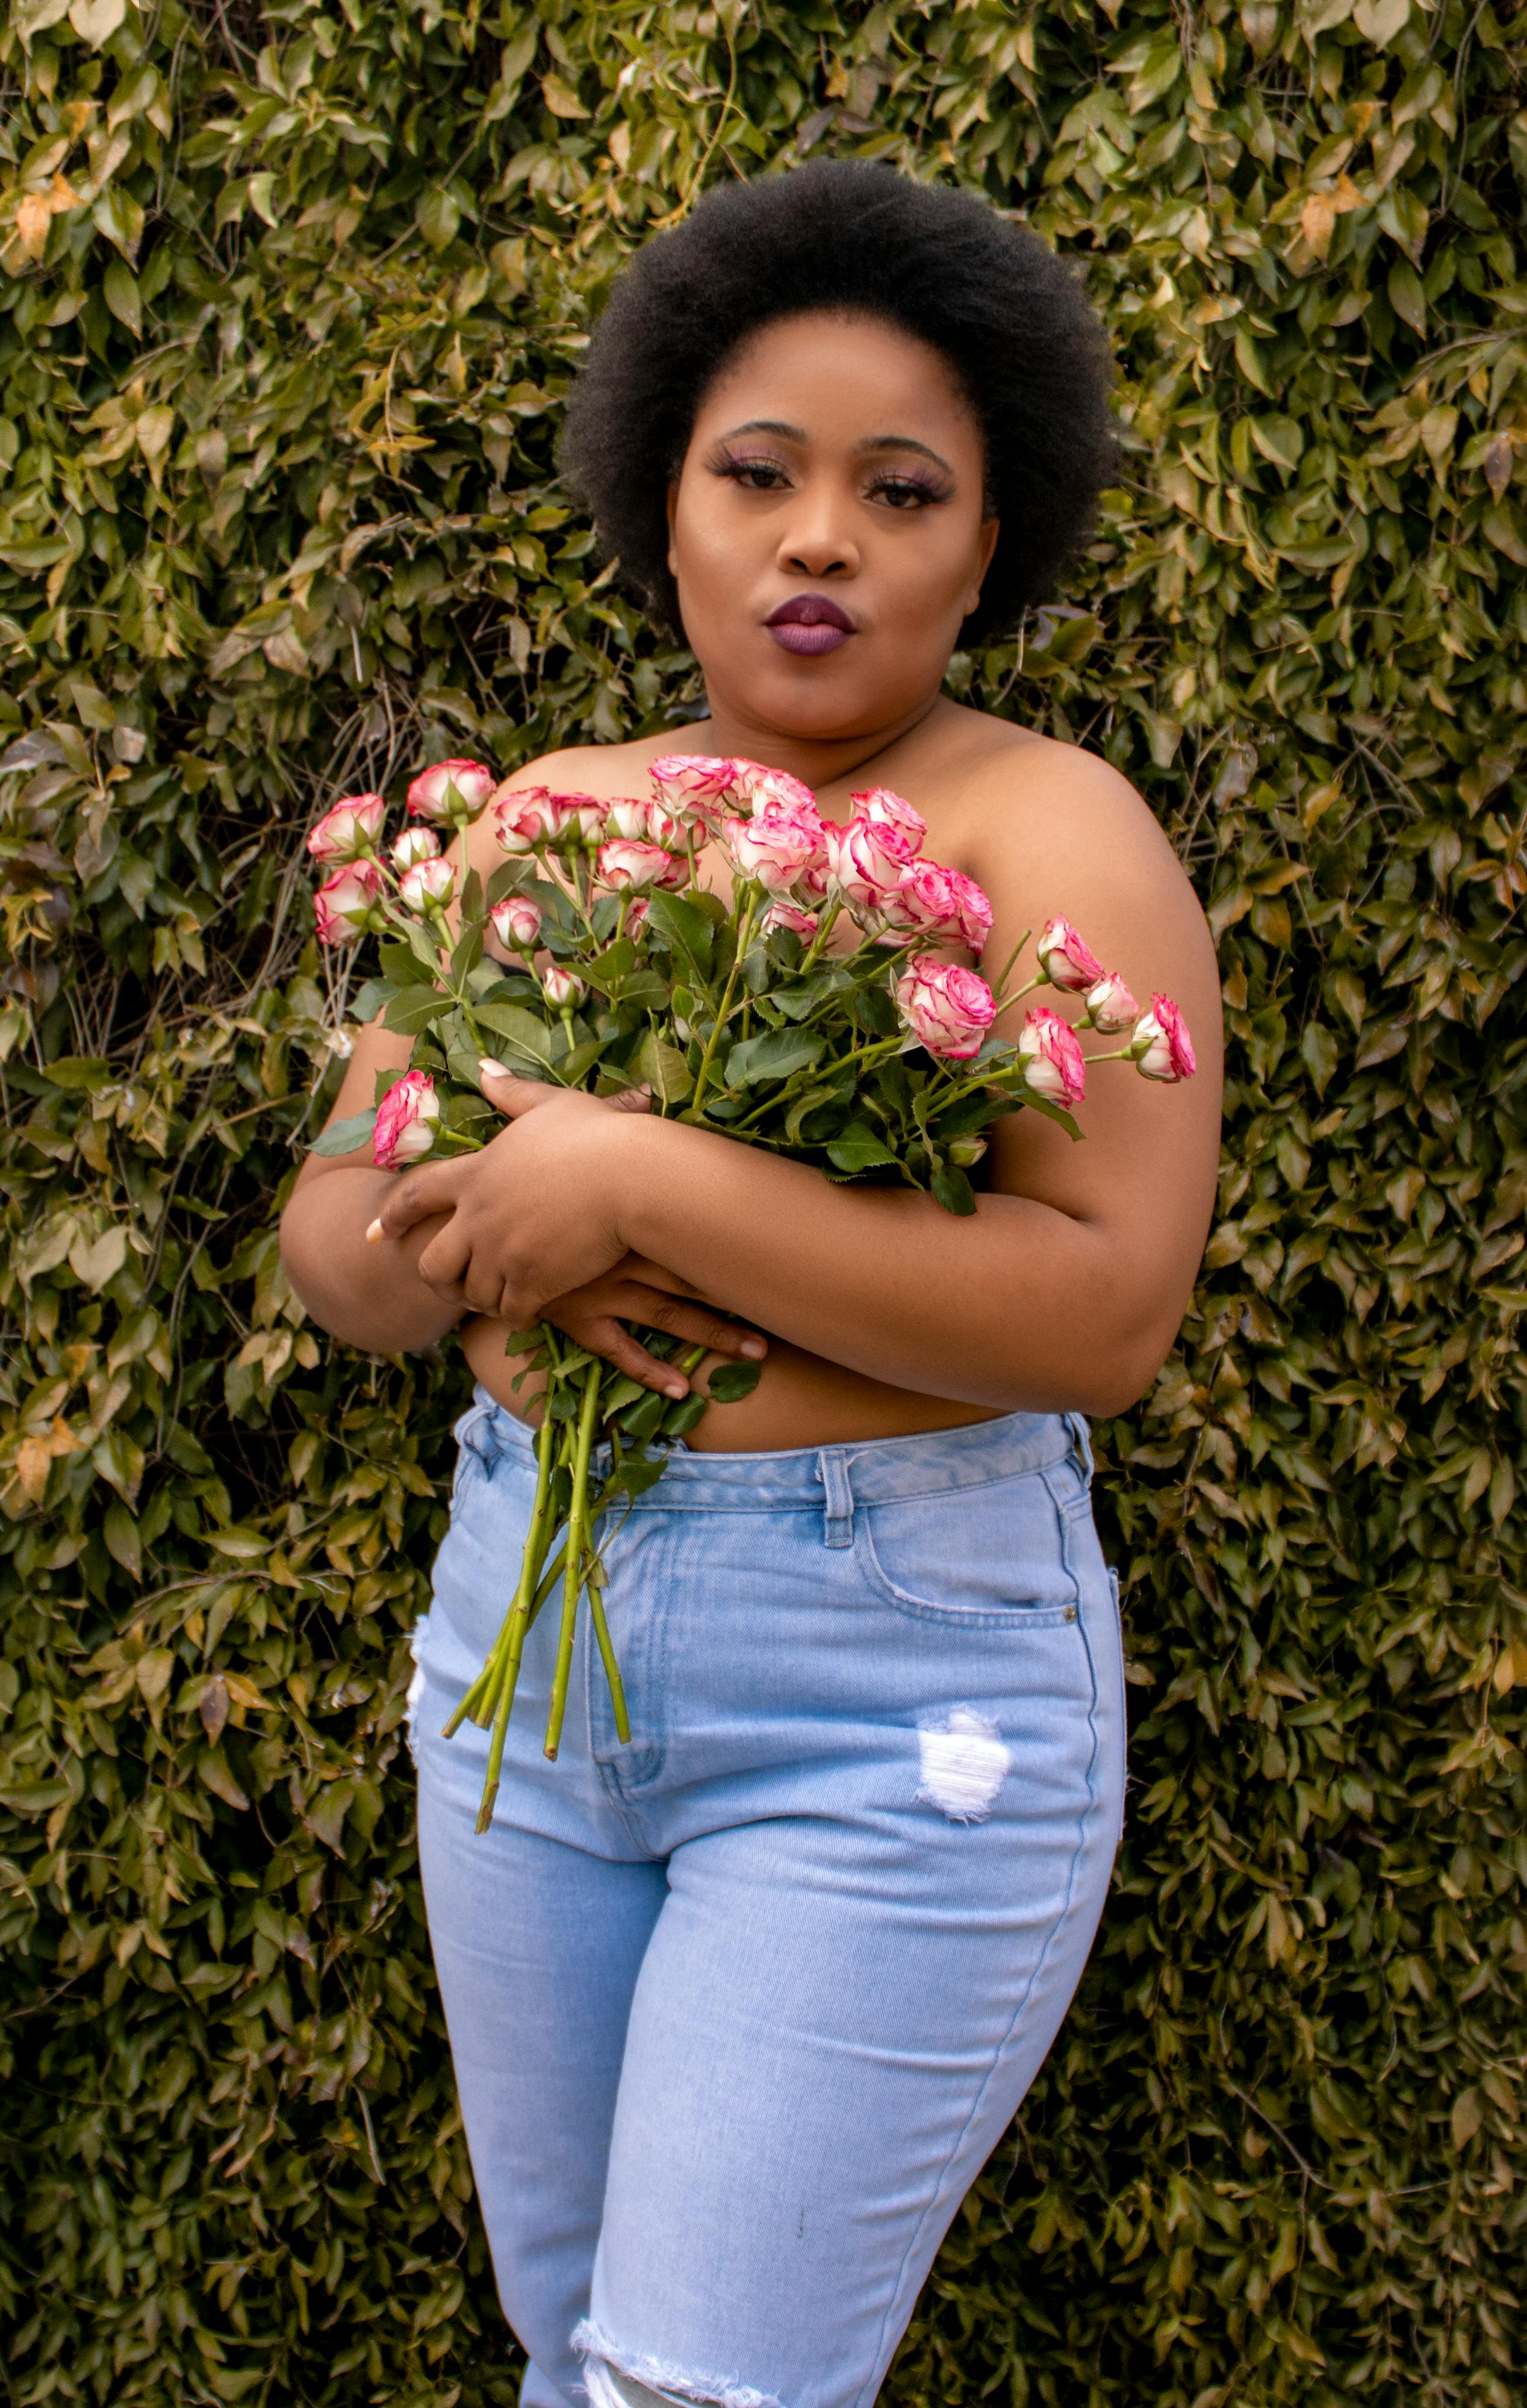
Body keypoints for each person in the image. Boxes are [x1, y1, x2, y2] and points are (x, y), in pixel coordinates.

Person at [281, 159, 1221, 2408]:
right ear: (665, 509)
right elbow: (335, 1247)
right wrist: (494, 1278)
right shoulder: (550, 820)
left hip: (886, 1688)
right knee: (576, 2352)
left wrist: (636, 1176)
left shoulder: (1048, 827)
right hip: (526, 1665)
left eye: (903, 491)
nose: (823, 539)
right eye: (759, 474)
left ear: (990, 545)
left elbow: (1103, 1313)